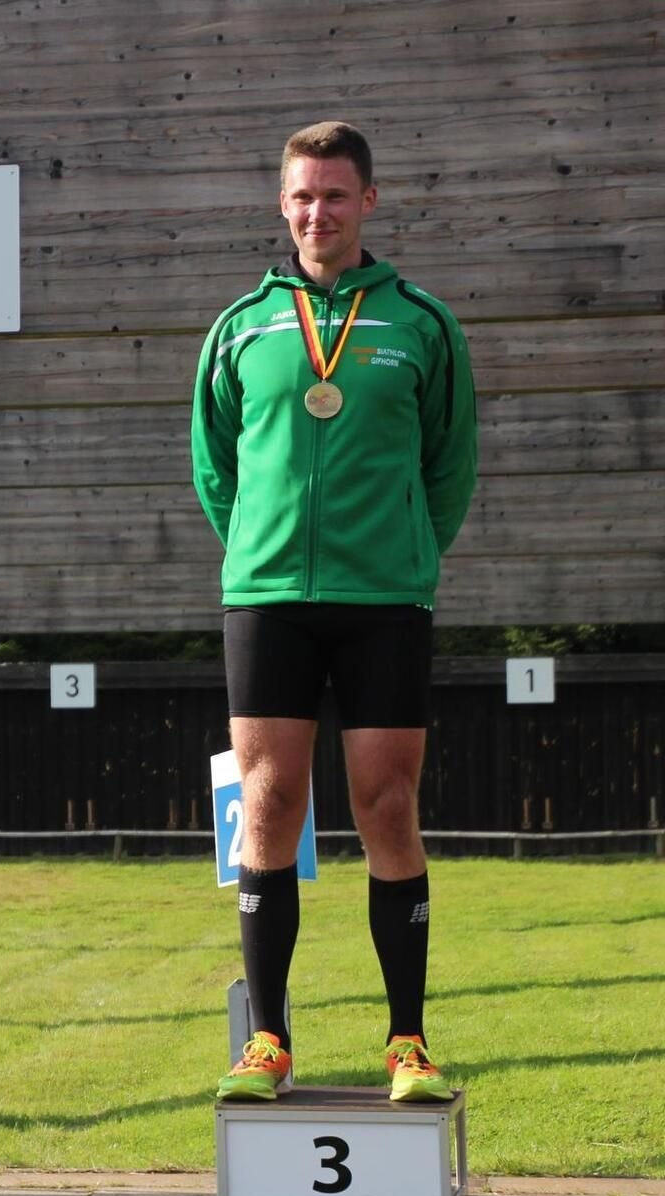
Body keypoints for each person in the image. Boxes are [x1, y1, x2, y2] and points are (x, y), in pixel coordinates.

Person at [192, 121, 478, 1102]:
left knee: (385, 806)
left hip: (382, 599)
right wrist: (256, 550)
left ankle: (406, 1040)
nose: (318, 211)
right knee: (266, 807)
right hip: (266, 598)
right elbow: (213, 467)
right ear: (282, 206)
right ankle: (265, 1039)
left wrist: (405, 555)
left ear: (368, 202)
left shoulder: (419, 323)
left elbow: (447, 462)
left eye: (336, 194)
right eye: (302, 195)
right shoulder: (239, 327)